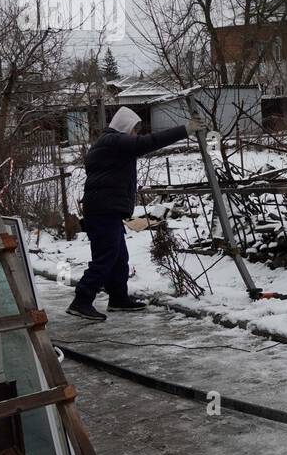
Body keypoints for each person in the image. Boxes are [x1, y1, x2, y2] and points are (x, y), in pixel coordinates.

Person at [67, 106, 205, 321]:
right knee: (106, 257)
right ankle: (82, 300)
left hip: (106, 210)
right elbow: (147, 143)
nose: (136, 134)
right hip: (103, 211)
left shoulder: (110, 144)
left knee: (119, 257)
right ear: (125, 127)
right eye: (134, 130)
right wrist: (185, 129)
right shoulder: (112, 141)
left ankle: (118, 299)